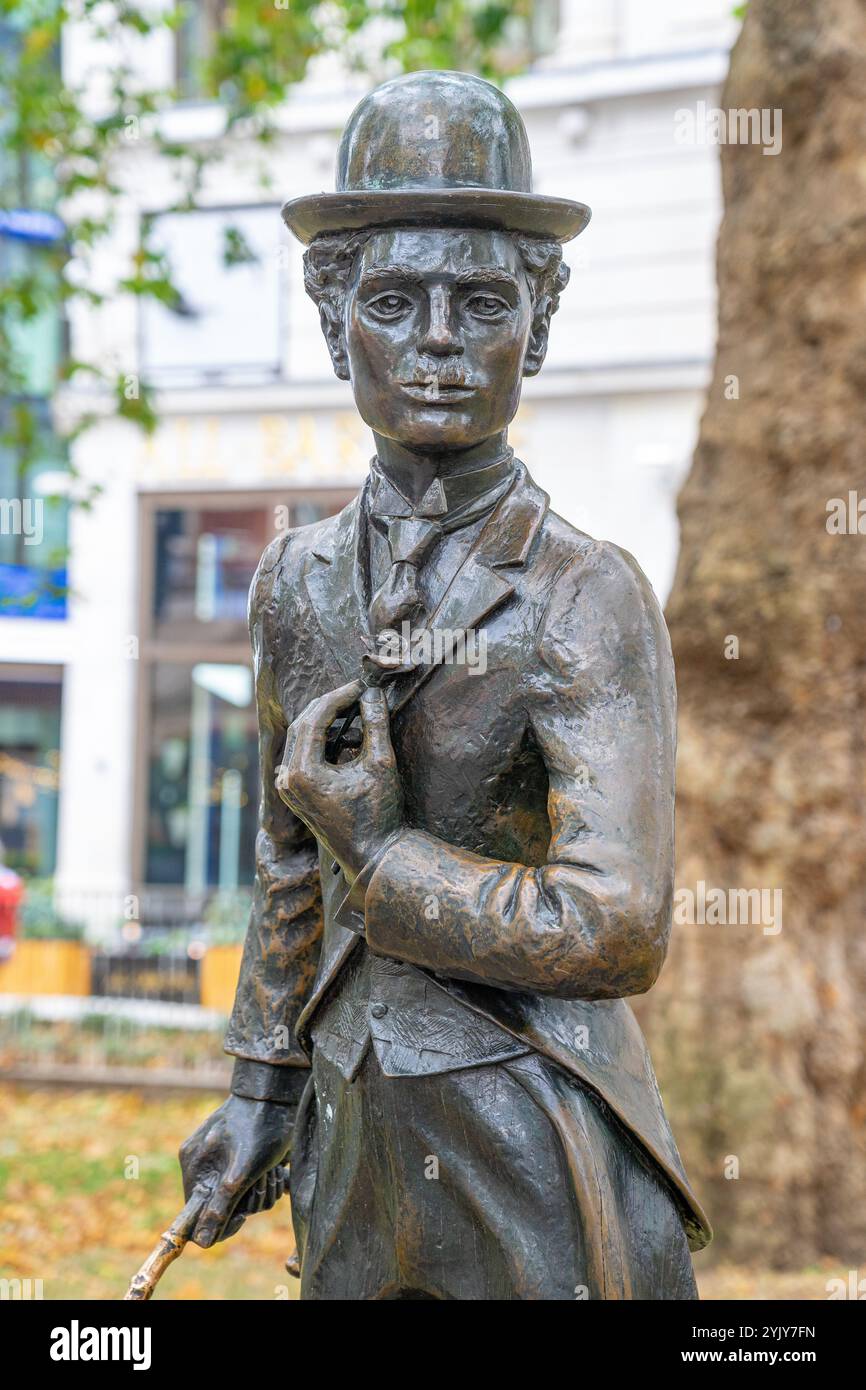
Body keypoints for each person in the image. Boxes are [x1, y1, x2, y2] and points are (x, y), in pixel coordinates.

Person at [179, 70, 711, 1300]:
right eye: (392, 301)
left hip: (532, 1134)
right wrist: (260, 1085)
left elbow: (616, 923)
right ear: (332, 328)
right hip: (347, 1134)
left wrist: (384, 855)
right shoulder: (295, 579)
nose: (433, 341)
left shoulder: (585, 591)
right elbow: (286, 862)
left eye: (478, 304)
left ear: (537, 327)